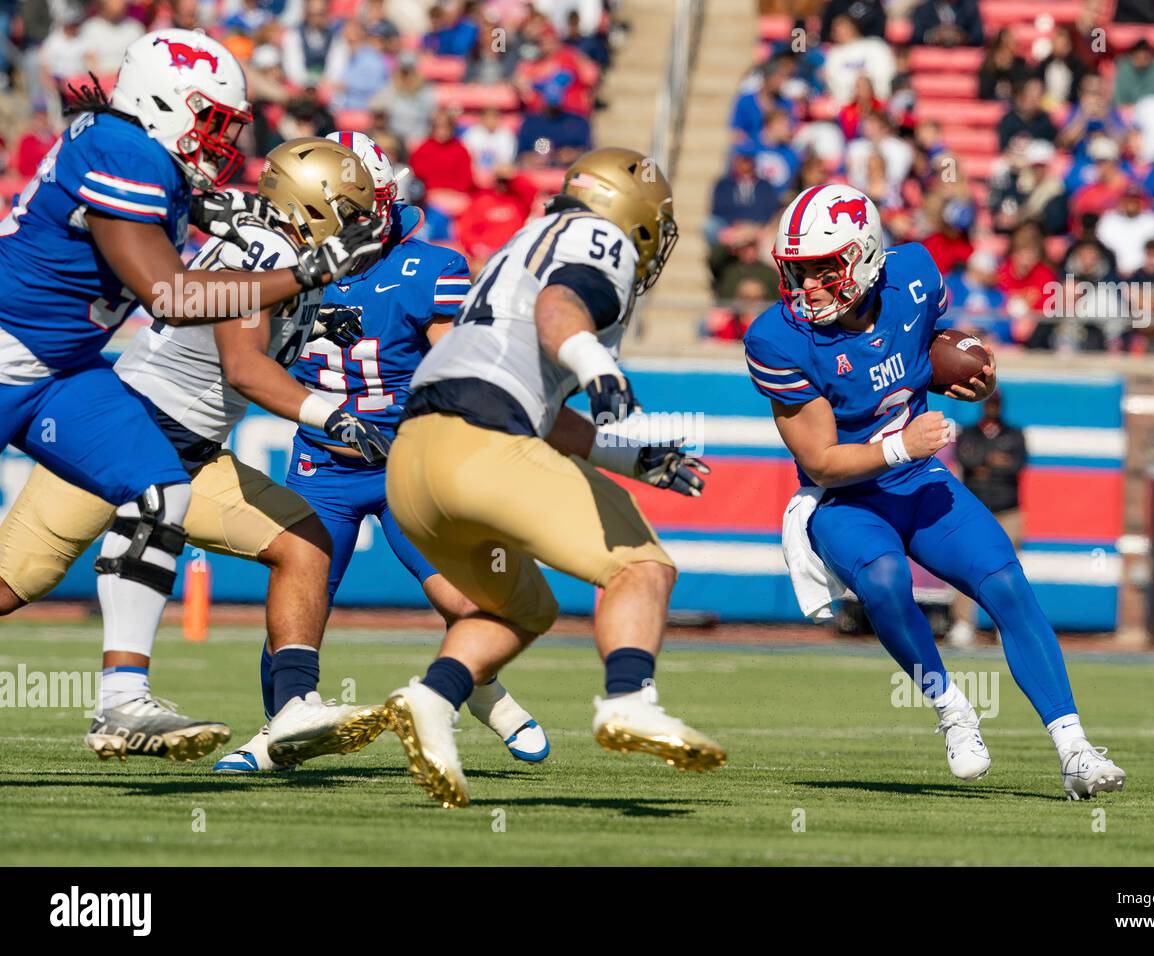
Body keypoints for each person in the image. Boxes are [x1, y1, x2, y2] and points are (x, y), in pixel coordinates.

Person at [0, 30, 383, 763]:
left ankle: (121, 702)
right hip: (11, 351)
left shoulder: (148, 161)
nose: (221, 140)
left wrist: (219, 216)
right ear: (164, 103)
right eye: (209, 119)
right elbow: (171, 295)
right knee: (18, 578)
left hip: (66, 368)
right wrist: (306, 275)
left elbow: (179, 224)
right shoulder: (125, 151)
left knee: (158, 490)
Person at [744, 184, 1126, 799]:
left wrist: (965, 371)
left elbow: (933, 338)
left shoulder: (916, 274)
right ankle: (952, 708)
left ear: (866, 257)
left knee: (1006, 583)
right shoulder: (778, 338)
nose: (808, 287)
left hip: (919, 483)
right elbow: (819, 461)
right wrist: (902, 445)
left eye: (823, 270)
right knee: (886, 582)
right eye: (798, 272)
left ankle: (1075, 750)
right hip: (845, 499)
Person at [382, 148, 724, 807]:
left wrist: (629, 457)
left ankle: (431, 699)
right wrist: (595, 362)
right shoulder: (600, 237)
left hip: (415, 465)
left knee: (523, 607)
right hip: (480, 446)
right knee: (642, 565)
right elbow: (561, 303)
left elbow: (534, 405)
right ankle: (628, 701)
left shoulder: (522, 239)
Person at [260, 131, 549, 772]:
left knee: (464, 602)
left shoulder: (429, 268)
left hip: (404, 460)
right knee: (297, 606)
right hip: (323, 462)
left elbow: (453, 365)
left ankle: (483, 689)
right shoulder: (277, 273)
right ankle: (282, 723)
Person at [949, 391, 1027, 647]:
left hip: (1007, 509)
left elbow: (1016, 466)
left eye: (996, 404)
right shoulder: (970, 433)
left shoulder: (1013, 435)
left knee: (1005, 570)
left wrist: (987, 466)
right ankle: (963, 623)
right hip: (976, 509)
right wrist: (990, 461)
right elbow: (967, 460)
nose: (992, 408)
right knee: (966, 566)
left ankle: (1004, 627)